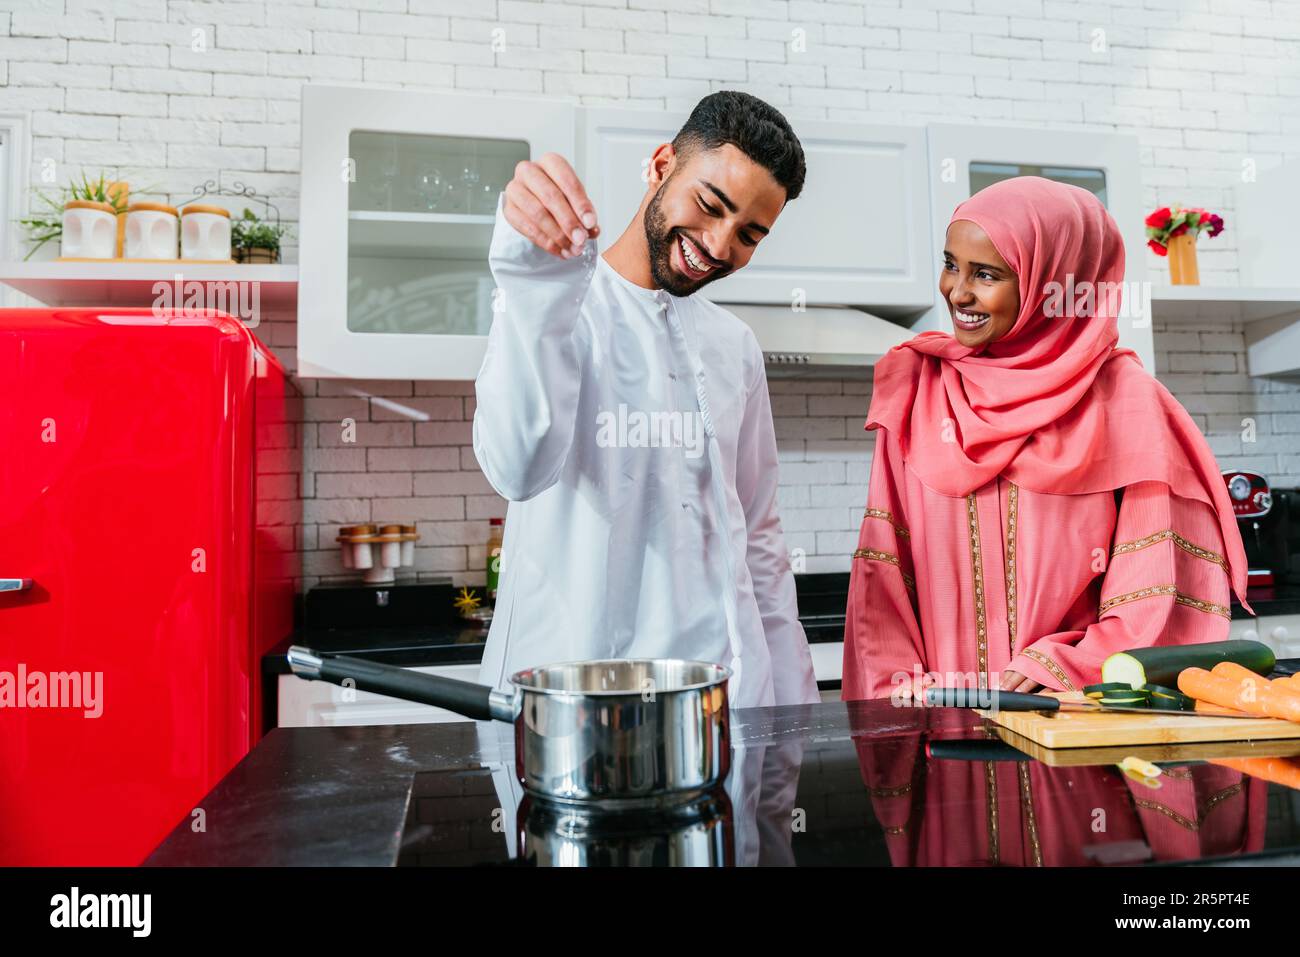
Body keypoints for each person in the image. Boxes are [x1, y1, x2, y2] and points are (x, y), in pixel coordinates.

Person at [842, 176, 1253, 701]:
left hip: (1076, 723)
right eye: (950, 264)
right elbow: (882, 579)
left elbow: (1154, 591)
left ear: (1053, 282)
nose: (957, 292)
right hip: (943, 728)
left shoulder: (1127, 404)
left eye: (985, 274)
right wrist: (907, 701)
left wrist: (1073, 663)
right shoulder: (919, 388)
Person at [473, 91, 819, 709]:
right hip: (573, 702)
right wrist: (531, 277)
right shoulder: (557, 299)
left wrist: (790, 716)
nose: (718, 245)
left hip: (725, 710)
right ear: (662, 165)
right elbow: (517, 468)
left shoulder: (735, 346)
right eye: (710, 205)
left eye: (750, 235)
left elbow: (760, 538)